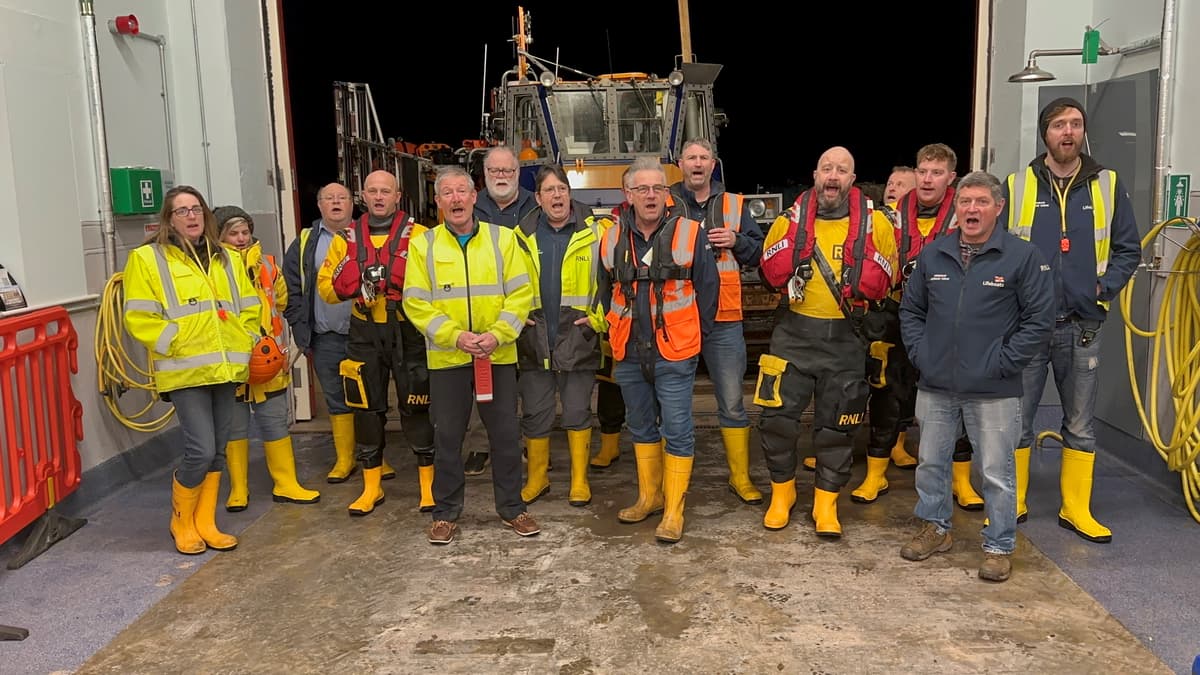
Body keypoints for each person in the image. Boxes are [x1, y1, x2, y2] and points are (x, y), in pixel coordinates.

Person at [898, 170, 1055, 582]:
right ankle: (936, 528)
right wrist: (921, 354)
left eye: (981, 202)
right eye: (965, 201)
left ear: (998, 208)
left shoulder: (1022, 257)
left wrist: (1003, 362)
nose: (972, 209)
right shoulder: (935, 255)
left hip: (994, 388)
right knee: (931, 463)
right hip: (936, 384)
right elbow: (911, 311)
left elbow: (1039, 322)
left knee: (996, 471)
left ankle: (1000, 545)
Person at [1002, 97, 1141, 543]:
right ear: (1045, 133)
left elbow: (1127, 248)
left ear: (1083, 132)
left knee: (1080, 423)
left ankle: (1076, 509)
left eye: (1075, 124)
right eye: (1059, 124)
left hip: (1082, 326)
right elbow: (998, 250)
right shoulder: (1017, 184)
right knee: (1016, 419)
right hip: (1025, 325)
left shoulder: (1106, 184)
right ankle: (1012, 502)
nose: (1068, 132)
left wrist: (1103, 290)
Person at [757, 146, 898, 538]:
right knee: (776, 423)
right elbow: (769, 275)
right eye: (826, 168)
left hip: (846, 340)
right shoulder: (787, 223)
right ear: (815, 175)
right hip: (793, 336)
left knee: (837, 429)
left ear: (853, 179)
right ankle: (782, 495)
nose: (833, 176)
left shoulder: (878, 226)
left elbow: (889, 280)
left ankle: (825, 504)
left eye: (842, 170)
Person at [122, 185, 259, 554]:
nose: (191, 216)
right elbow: (138, 316)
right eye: (181, 211)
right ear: (168, 219)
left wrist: (246, 340)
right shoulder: (148, 260)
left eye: (196, 208)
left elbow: (250, 304)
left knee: (218, 451)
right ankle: (181, 522)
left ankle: (205, 522)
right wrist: (174, 341)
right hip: (185, 370)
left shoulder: (225, 258)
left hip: (227, 368)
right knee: (200, 449)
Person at [404, 165, 537, 544]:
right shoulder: (424, 245)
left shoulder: (504, 239)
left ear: (475, 197)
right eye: (447, 193)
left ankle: (513, 508)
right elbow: (416, 303)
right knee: (447, 436)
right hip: (448, 358)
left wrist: (497, 336)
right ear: (438, 201)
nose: (456, 199)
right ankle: (444, 513)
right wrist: (455, 337)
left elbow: (521, 294)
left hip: (496, 355)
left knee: (506, 434)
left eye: (462, 191)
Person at [852, 143, 984, 510]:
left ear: (951, 179)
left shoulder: (966, 216)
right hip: (896, 314)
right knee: (886, 393)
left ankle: (962, 481)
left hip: (950, 318)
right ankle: (875, 473)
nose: (927, 179)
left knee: (957, 397)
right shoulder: (889, 215)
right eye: (923, 171)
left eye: (937, 173)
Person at [598, 156, 719, 543]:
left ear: (667, 194)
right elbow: (605, 290)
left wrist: (692, 337)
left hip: (674, 351)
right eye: (642, 189)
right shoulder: (612, 236)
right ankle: (649, 497)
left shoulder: (690, 233)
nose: (651, 195)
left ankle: (673, 509)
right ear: (627, 193)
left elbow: (708, 289)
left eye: (658, 188)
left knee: (679, 429)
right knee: (640, 425)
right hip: (630, 351)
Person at [317, 170, 434, 516]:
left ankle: (428, 486)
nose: (379, 197)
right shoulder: (346, 238)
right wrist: (358, 288)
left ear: (398, 196)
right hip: (364, 333)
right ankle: (371, 488)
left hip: (408, 333)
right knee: (366, 409)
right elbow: (326, 287)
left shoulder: (421, 236)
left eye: (386, 191)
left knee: (418, 406)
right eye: (372, 191)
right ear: (363, 197)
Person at [669, 138, 766, 504]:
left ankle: (739, 478)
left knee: (731, 401)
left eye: (704, 158)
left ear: (714, 165)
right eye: (691, 157)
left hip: (724, 319)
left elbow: (758, 252)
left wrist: (737, 240)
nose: (697, 163)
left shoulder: (734, 205)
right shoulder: (664, 203)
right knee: (673, 403)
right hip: (675, 318)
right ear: (681, 163)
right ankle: (671, 481)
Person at [215, 206, 321, 512]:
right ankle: (238, 490)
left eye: (244, 232)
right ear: (219, 235)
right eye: (232, 233)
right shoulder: (210, 269)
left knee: (274, 422)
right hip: (232, 362)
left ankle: (286, 484)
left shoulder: (269, 267)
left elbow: (282, 303)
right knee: (234, 427)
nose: (240, 239)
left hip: (270, 361)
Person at [515, 165, 608, 507]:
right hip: (534, 337)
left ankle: (579, 480)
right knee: (535, 413)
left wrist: (599, 320)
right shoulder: (520, 236)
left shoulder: (597, 231)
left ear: (570, 193)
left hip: (578, 336)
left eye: (562, 189)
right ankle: (537, 479)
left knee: (576, 412)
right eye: (549, 191)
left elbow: (611, 282)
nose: (557, 195)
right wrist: (514, 318)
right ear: (537, 198)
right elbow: (506, 283)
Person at [464, 145, 539, 475]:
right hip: (483, 314)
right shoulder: (470, 206)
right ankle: (481, 445)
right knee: (481, 382)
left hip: (529, 309)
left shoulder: (536, 205)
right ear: (484, 175)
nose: (501, 177)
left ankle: (522, 441)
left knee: (526, 382)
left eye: (507, 171)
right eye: (494, 171)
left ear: (518, 172)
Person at [282, 183, 363, 484]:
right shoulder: (305, 241)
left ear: (353, 204)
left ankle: (374, 457)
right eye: (329, 198)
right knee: (335, 396)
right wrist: (298, 323)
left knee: (370, 396)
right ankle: (345, 458)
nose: (336, 203)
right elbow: (291, 287)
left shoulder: (366, 237)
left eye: (342, 197)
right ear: (319, 206)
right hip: (325, 334)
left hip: (363, 333)